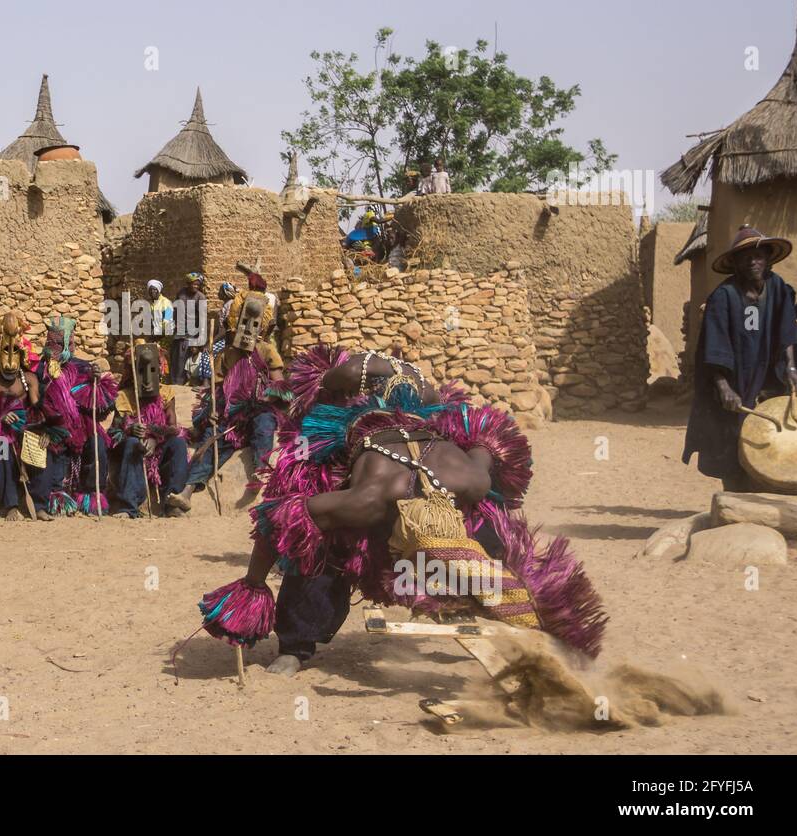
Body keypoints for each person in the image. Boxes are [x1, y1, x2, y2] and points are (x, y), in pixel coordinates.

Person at [194, 344, 608, 671]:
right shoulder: (458, 483)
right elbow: (282, 519)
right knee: (323, 547)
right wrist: (252, 588)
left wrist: (253, 580)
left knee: (493, 537)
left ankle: (514, 619)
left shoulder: (393, 496)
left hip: (421, 429)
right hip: (355, 420)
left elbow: (274, 521)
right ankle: (296, 645)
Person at [683, 226, 797, 491]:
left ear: (769, 258)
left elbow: (787, 333)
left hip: (767, 381)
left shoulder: (778, 288)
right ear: (735, 262)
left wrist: (791, 367)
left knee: (770, 445)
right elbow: (713, 350)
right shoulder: (723, 298)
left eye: (759, 255)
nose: (753, 261)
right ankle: (734, 507)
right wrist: (724, 388)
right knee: (732, 453)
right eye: (745, 257)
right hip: (734, 382)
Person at [168, 284, 286, 511]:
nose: (248, 329)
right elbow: (217, 389)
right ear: (236, 323)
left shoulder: (266, 350)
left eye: (254, 324)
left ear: (261, 325)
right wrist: (212, 410)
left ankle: (260, 472)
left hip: (260, 410)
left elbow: (279, 386)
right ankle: (187, 492)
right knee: (210, 441)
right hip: (232, 416)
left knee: (264, 425)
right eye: (244, 323)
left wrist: (264, 398)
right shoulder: (227, 354)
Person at [0, 312, 54, 519]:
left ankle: (40, 504)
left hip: (26, 429)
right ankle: (10, 505)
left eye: (14, 350)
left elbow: (37, 408)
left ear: (23, 352)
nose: (10, 358)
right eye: (5, 350)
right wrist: (0, 415)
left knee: (43, 446)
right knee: (1, 447)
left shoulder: (29, 378)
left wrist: (45, 430)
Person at [35, 315, 118, 516]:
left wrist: (96, 383)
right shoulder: (39, 370)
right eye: (51, 342)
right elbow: (35, 403)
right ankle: (57, 496)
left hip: (83, 424)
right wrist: (45, 427)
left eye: (61, 343)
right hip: (54, 424)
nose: (55, 348)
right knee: (52, 446)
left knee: (97, 444)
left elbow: (102, 407)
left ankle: (90, 495)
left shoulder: (83, 368)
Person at [109, 342, 189, 517]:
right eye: (140, 372)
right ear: (133, 373)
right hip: (134, 451)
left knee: (178, 443)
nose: (146, 379)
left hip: (158, 450)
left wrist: (155, 437)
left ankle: (172, 500)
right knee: (131, 444)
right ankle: (128, 507)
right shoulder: (124, 397)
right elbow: (113, 433)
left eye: (151, 371)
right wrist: (130, 430)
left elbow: (173, 428)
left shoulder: (166, 393)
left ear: (159, 370)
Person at [169, 273, 208, 384]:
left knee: (185, 359)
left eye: (197, 284)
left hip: (192, 333)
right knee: (176, 359)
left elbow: (203, 319)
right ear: (188, 284)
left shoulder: (200, 297)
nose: (195, 286)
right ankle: (175, 383)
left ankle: (182, 383)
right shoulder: (181, 293)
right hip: (179, 331)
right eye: (193, 284)